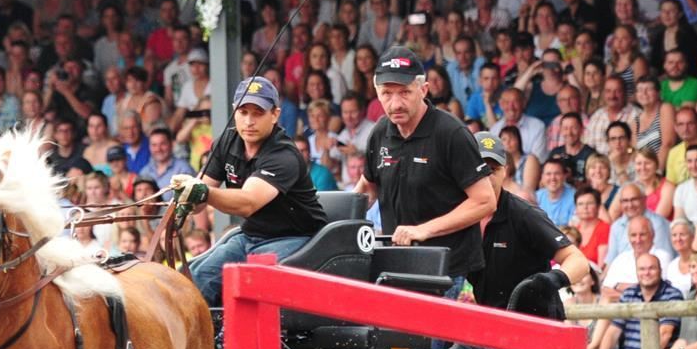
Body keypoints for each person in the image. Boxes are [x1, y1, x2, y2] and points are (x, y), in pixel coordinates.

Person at [413, 134, 592, 349]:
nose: (486, 176)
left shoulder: (523, 213)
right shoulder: (457, 219)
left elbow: (578, 261)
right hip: (491, 331)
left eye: (493, 169)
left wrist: (549, 280)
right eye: (480, 168)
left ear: (504, 172)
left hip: (536, 332)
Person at [358, 47, 496, 295]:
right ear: (376, 92)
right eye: (387, 93)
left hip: (447, 268)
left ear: (423, 89)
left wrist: (424, 230)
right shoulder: (380, 132)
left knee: (433, 335)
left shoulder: (451, 133)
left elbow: (485, 201)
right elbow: (368, 188)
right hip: (398, 263)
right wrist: (334, 223)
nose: (395, 103)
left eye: (405, 92)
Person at [180, 77, 327, 306]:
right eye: (243, 111)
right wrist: (184, 197)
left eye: (258, 113)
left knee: (248, 279)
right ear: (234, 111)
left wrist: (201, 192)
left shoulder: (283, 155)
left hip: (297, 238)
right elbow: (199, 197)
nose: (249, 121)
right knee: (195, 277)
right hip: (250, 235)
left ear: (275, 115)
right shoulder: (226, 141)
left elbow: (247, 202)